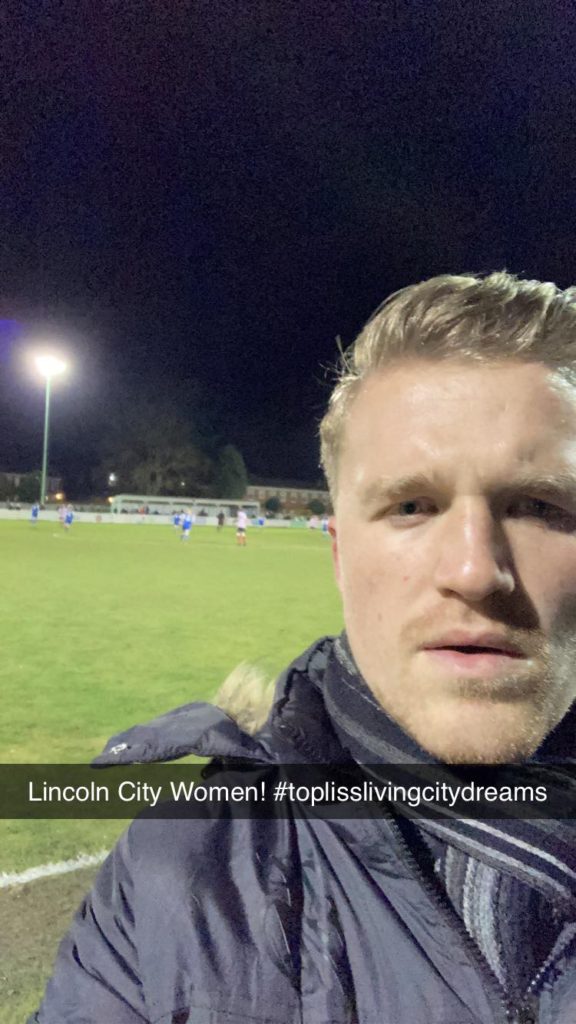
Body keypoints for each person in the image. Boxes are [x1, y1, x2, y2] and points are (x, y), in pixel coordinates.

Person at [32, 272, 576, 1023]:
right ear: (338, 555)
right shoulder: (178, 879)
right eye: (412, 506)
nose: (474, 570)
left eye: (541, 507)